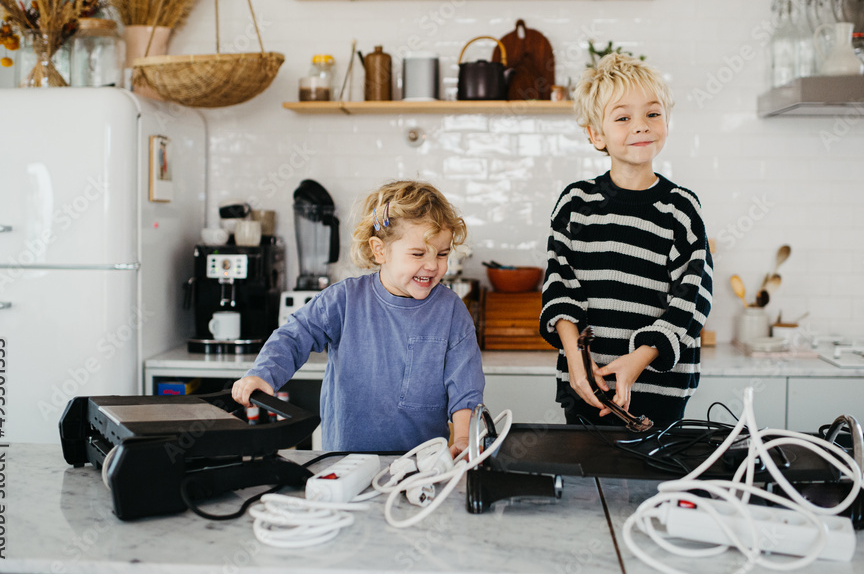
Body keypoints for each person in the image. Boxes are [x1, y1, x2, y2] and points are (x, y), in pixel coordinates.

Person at [233, 180, 484, 455]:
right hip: (344, 461)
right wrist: (262, 375)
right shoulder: (343, 300)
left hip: (423, 467)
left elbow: (465, 387)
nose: (433, 265)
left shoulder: (452, 311)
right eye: (418, 253)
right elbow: (293, 336)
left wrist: (462, 437)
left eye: (443, 253)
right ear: (380, 250)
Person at [539, 53, 713, 429]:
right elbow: (558, 287)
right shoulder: (576, 203)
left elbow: (694, 297)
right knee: (586, 485)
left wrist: (639, 359)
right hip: (588, 384)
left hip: (661, 390)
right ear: (595, 134)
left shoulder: (680, 208)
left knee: (655, 486)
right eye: (623, 117)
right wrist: (575, 360)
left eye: (653, 114)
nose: (641, 126)